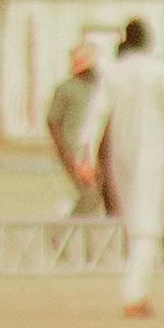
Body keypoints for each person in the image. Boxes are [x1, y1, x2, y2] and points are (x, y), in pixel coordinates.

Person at [82, 21, 164, 313]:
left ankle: (138, 291)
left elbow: (96, 115)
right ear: (149, 42)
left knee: (135, 225)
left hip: (122, 157)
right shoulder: (161, 71)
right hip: (154, 155)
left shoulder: (112, 73)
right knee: (149, 229)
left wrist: (87, 157)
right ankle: (134, 295)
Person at [44, 40, 102, 216]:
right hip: (74, 152)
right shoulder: (66, 89)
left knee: (94, 196)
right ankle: (63, 232)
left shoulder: (99, 88)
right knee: (90, 194)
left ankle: (70, 231)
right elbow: (53, 122)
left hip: (91, 151)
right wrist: (64, 152)